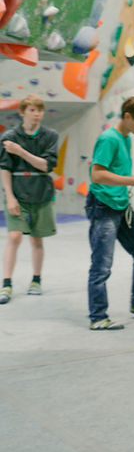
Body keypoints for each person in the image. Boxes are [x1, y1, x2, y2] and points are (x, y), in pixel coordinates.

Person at [84, 96, 134, 330]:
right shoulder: (109, 139)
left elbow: (116, 172)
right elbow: (97, 174)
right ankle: (98, 317)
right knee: (102, 265)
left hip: (121, 205)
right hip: (103, 207)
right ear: (127, 116)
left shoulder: (125, 138)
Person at [0, 95, 59, 304]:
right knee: (14, 237)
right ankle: (6, 284)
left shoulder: (50, 135)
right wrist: (9, 196)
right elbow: (5, 168)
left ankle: (36, 280)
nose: (37, 114)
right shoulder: (9, 136)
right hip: (16, 192)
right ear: (22, 112)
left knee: (36, 238)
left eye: (40, 110)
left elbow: (46, 165)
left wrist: (20, 152)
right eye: (33, 110)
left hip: (41, 192)